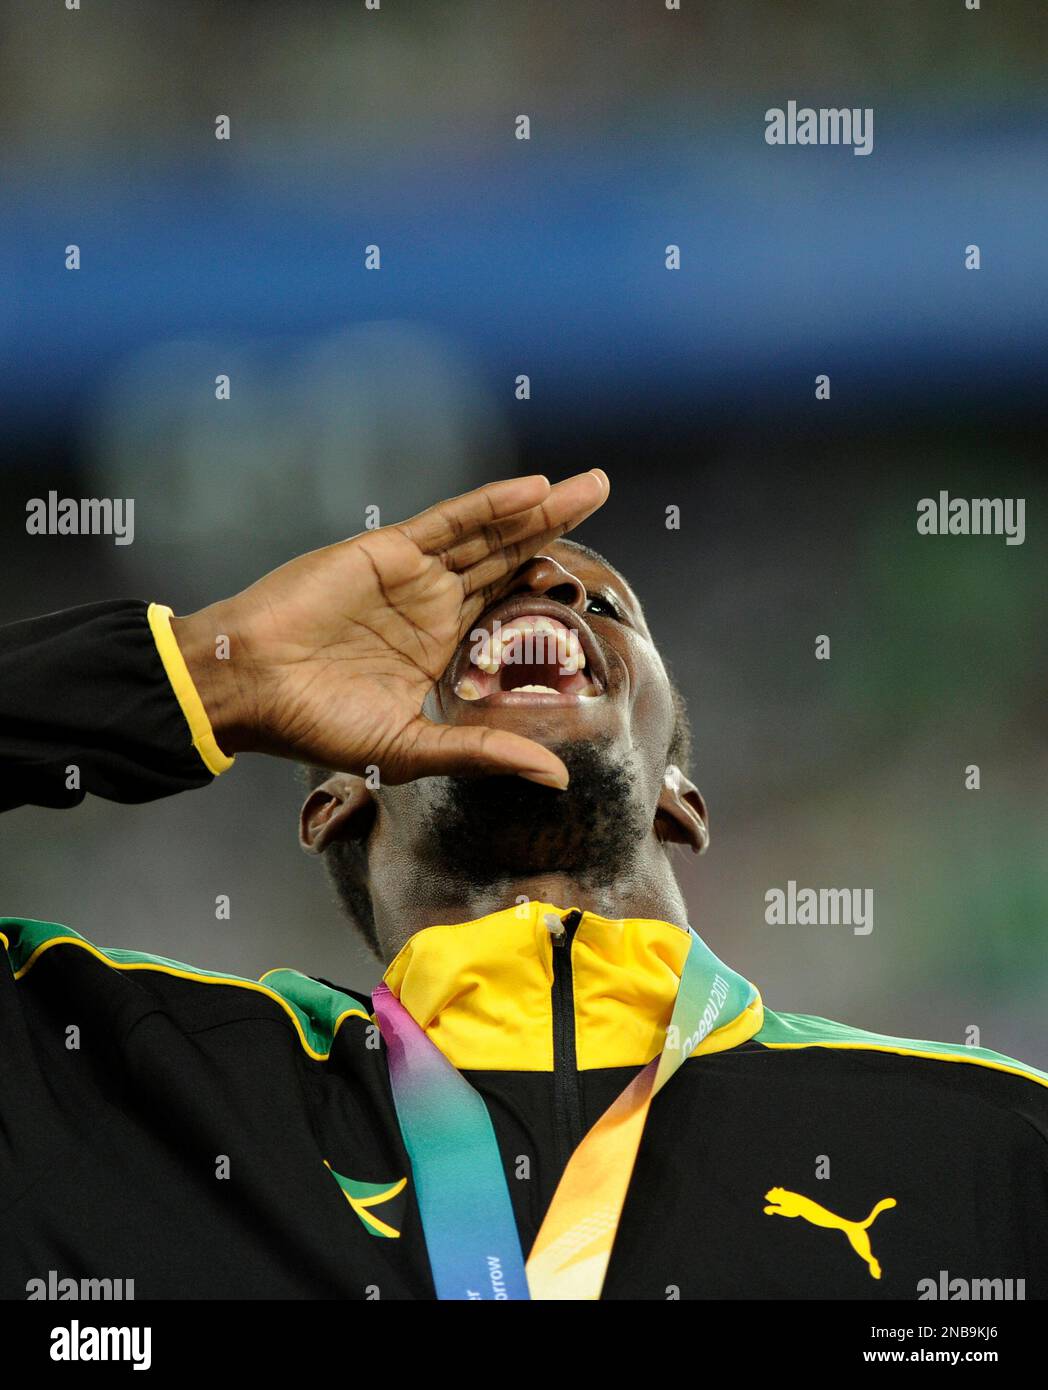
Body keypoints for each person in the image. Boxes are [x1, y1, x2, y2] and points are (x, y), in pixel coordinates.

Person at [2, 470, 1045, 1301]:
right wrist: (209, 675)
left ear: (681, 799)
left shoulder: (986, 1145)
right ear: (335, 796)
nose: (546, 590)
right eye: (456, 612)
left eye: (601, 601)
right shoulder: (113, 1088)